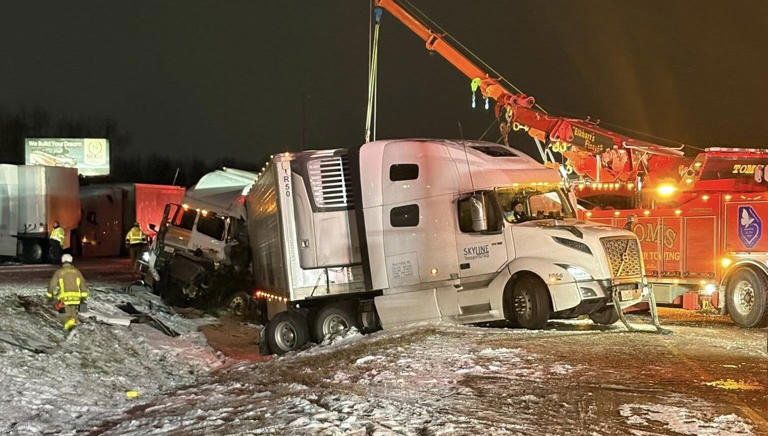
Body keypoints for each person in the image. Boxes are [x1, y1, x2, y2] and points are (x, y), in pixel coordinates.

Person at [46, 254, 88, 331]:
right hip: (76, 300)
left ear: (62, 261)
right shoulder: (77, 272)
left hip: (63, 300)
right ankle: (73, 329)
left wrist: (50, 296)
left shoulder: (59, 272)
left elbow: (52, 285)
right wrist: (83, 298)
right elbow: (83, 286)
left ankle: (68, 329)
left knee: (64, 316)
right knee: (73, 315)